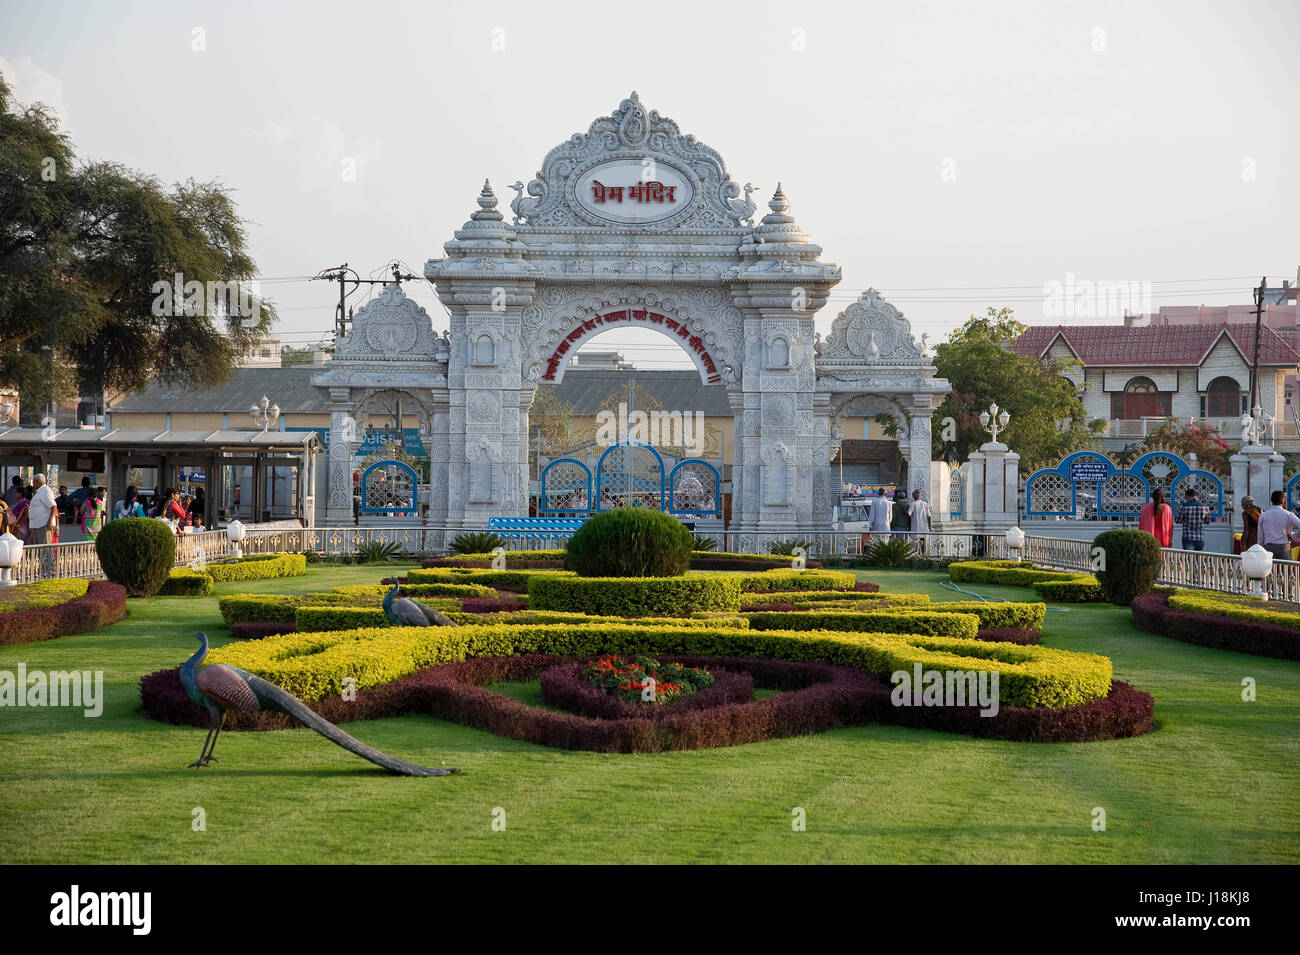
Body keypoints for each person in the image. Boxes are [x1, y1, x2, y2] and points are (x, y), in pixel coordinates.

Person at [1257, 490, 1300, 562]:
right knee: (1286, 571)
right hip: (1284, 547)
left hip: (1268, 547)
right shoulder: (1288, 514)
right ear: (1283, 500)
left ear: (1272, 500)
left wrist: (1261, 548)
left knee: (1269, 571)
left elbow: (1260, 536)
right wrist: (1293, 536)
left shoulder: (1263, 515)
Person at [26, 473, 59, 545]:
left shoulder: (46, 490)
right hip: (37, 525)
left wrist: (50, 522)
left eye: (33, 481)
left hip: (43, 525)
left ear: (37, 481)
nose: (33, 483)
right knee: (38, 550)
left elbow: (53, 506)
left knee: (44, 550)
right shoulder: (39, 492)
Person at [908, 488, 932, 554]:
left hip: (916, 527)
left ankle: (918, 556)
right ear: (920, 496)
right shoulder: (925, 504)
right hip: (924, 527)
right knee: (923, 541)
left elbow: (909, 514)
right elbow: (929, 516)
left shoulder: (913, 504)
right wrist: (929, 527)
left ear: (913, 497)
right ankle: (923, 556)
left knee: (917, 543)